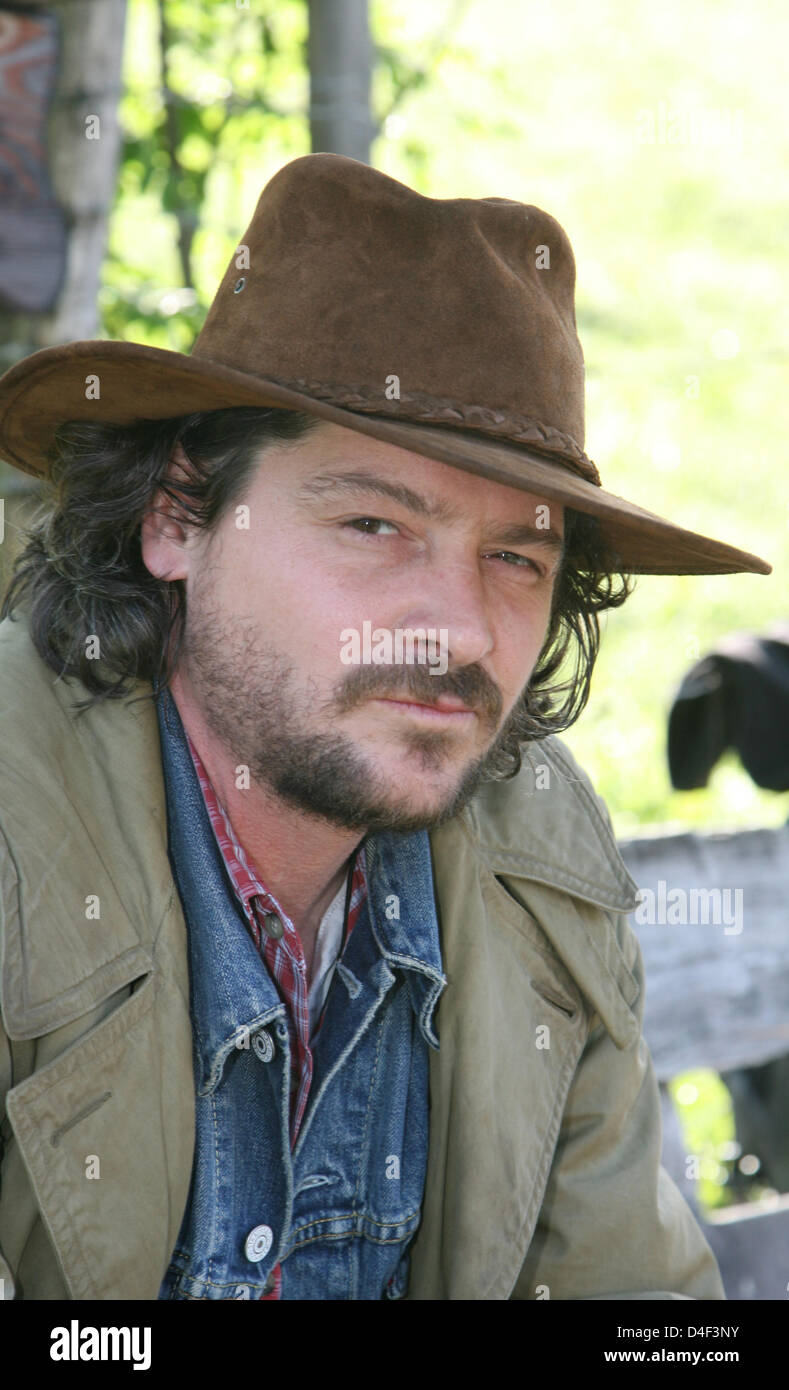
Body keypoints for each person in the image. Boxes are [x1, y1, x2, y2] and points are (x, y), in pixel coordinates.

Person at [0, 153, 770, 1301]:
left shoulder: (540, 876)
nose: (458, 627)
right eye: (372, 524)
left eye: (517, 558)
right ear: (176, 516)